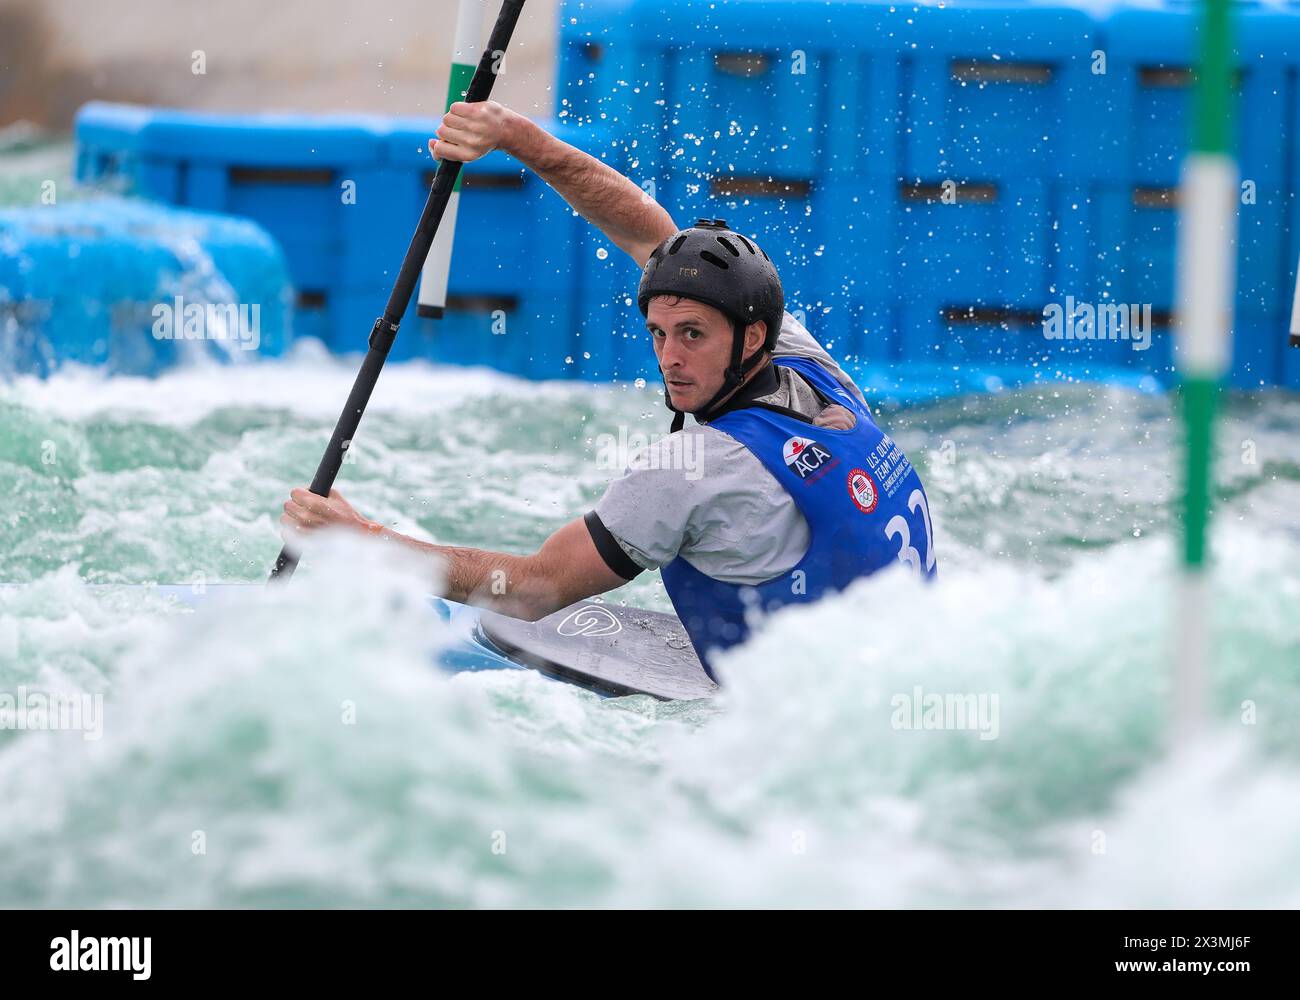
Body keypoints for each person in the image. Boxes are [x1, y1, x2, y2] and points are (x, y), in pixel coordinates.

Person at [281, 101, 937, 679]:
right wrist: (516, 136)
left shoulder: (696, 468)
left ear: (752, 336)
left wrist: (362, 539)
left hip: (799, 717)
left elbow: (533, 591)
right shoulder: (816, 374)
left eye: (692, 335)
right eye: (657, 333)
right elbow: (647, 230)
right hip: (900, 672)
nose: (670, 359)